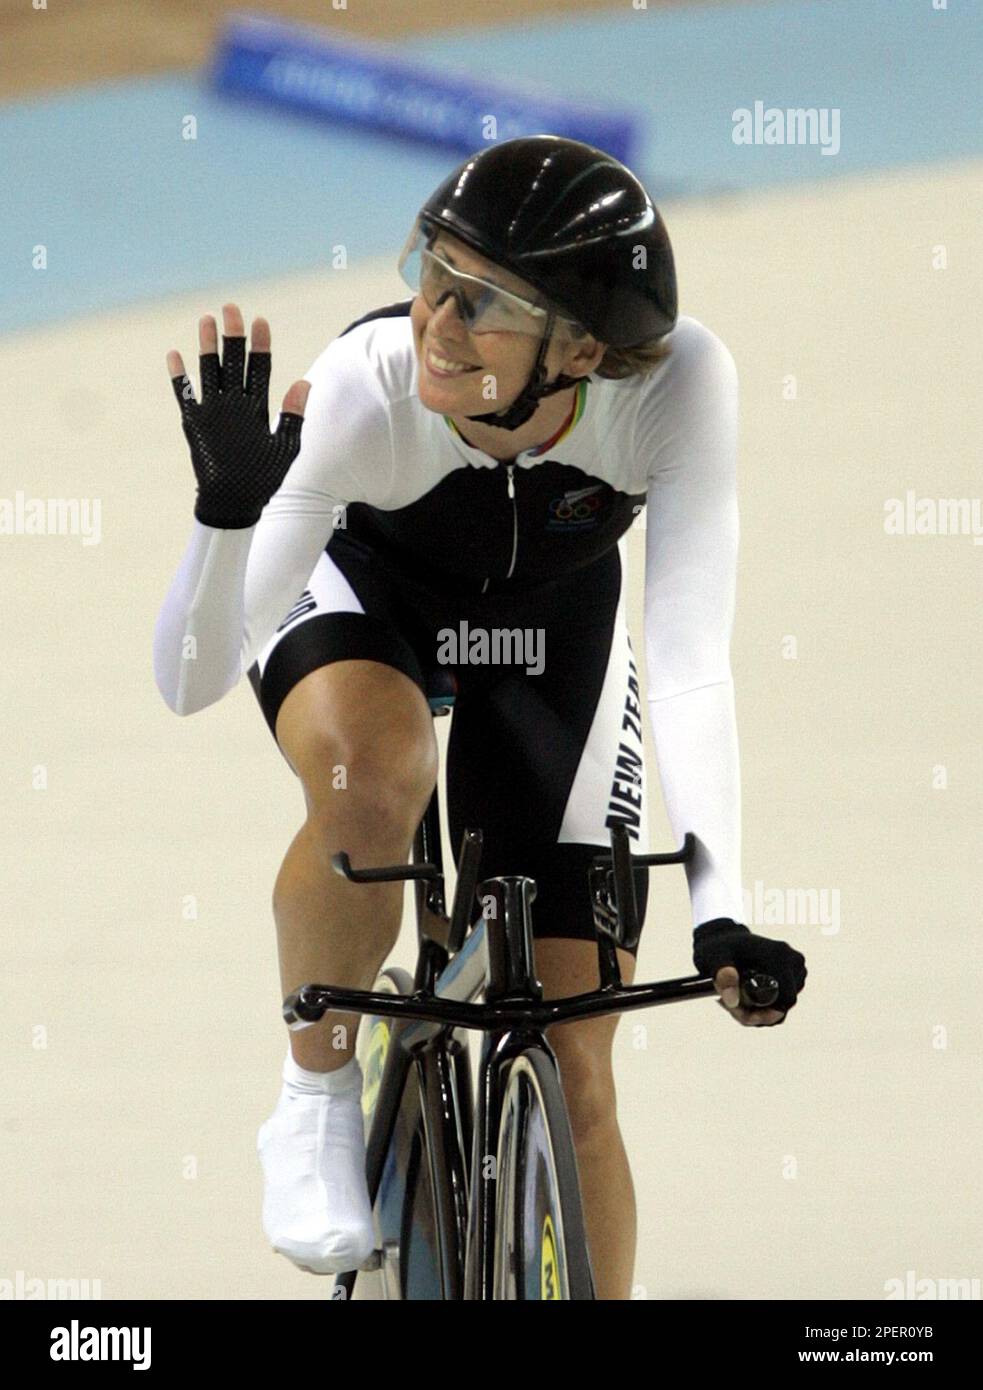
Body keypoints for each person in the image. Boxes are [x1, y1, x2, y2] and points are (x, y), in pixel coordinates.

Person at [153, 135, 807, 1300]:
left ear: (584, 350)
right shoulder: (369, 385)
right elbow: (193, 677)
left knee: (578, 1058)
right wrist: (222, 523)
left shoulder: (677, 386)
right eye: (430, 269)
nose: (433, 319)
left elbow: (692, 654)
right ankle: (312, 1096)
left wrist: (724, 915)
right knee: (380, 765)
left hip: (555, 624)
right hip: (372, 597)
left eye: (481, 301)